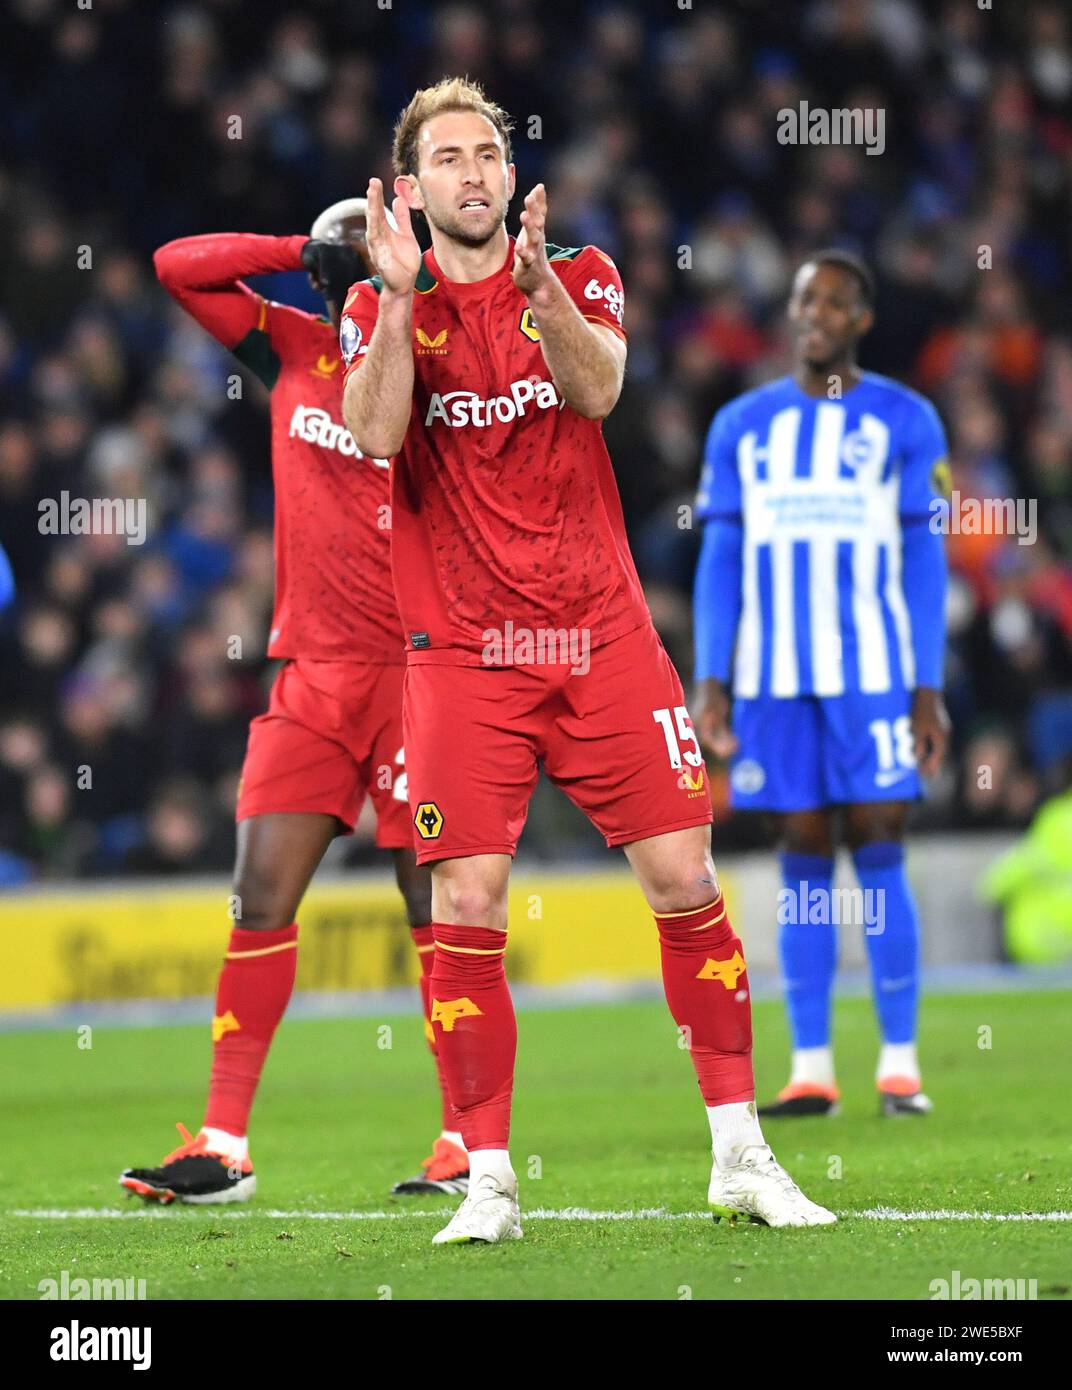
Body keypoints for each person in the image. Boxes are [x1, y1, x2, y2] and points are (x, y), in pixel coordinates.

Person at [341, 77, 834, 1243]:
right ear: (410, 189)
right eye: (448, 158)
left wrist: (539, 288)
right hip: (463, 658)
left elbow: (600, 386)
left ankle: (740, 1154)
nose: (473, 172)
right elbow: (372, 433)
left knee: (686, 881)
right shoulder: (377, 308)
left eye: (488, 155)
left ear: (510, 177)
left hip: (599, 636)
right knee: (465, 897)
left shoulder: (582, 272)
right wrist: (405, 300)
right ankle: (492, 1183)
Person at [120, 204, 467, 1205]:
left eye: (375, 237)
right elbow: (175, 264)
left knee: (432, 905)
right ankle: (224, 1145)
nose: (359, 249)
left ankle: (462, 1142)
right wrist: (290, 247)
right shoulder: (294, 349)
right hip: (313, 677)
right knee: (259, 895)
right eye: (344, 242)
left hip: (417, 672)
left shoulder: (429, 363)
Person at [693, 251, 950, 1119]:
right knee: (801, 849)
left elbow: (924, 557)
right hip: (772, 679)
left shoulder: (906, 421)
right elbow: (721, 558)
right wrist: (713, 677)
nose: (816, 314)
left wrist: (927, 684)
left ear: (862, 320)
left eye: (835, 302)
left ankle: (901, 1064)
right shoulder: (742, 425)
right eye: (805, 300)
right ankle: (811, 1068)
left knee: (878, 839)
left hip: (874, 673)